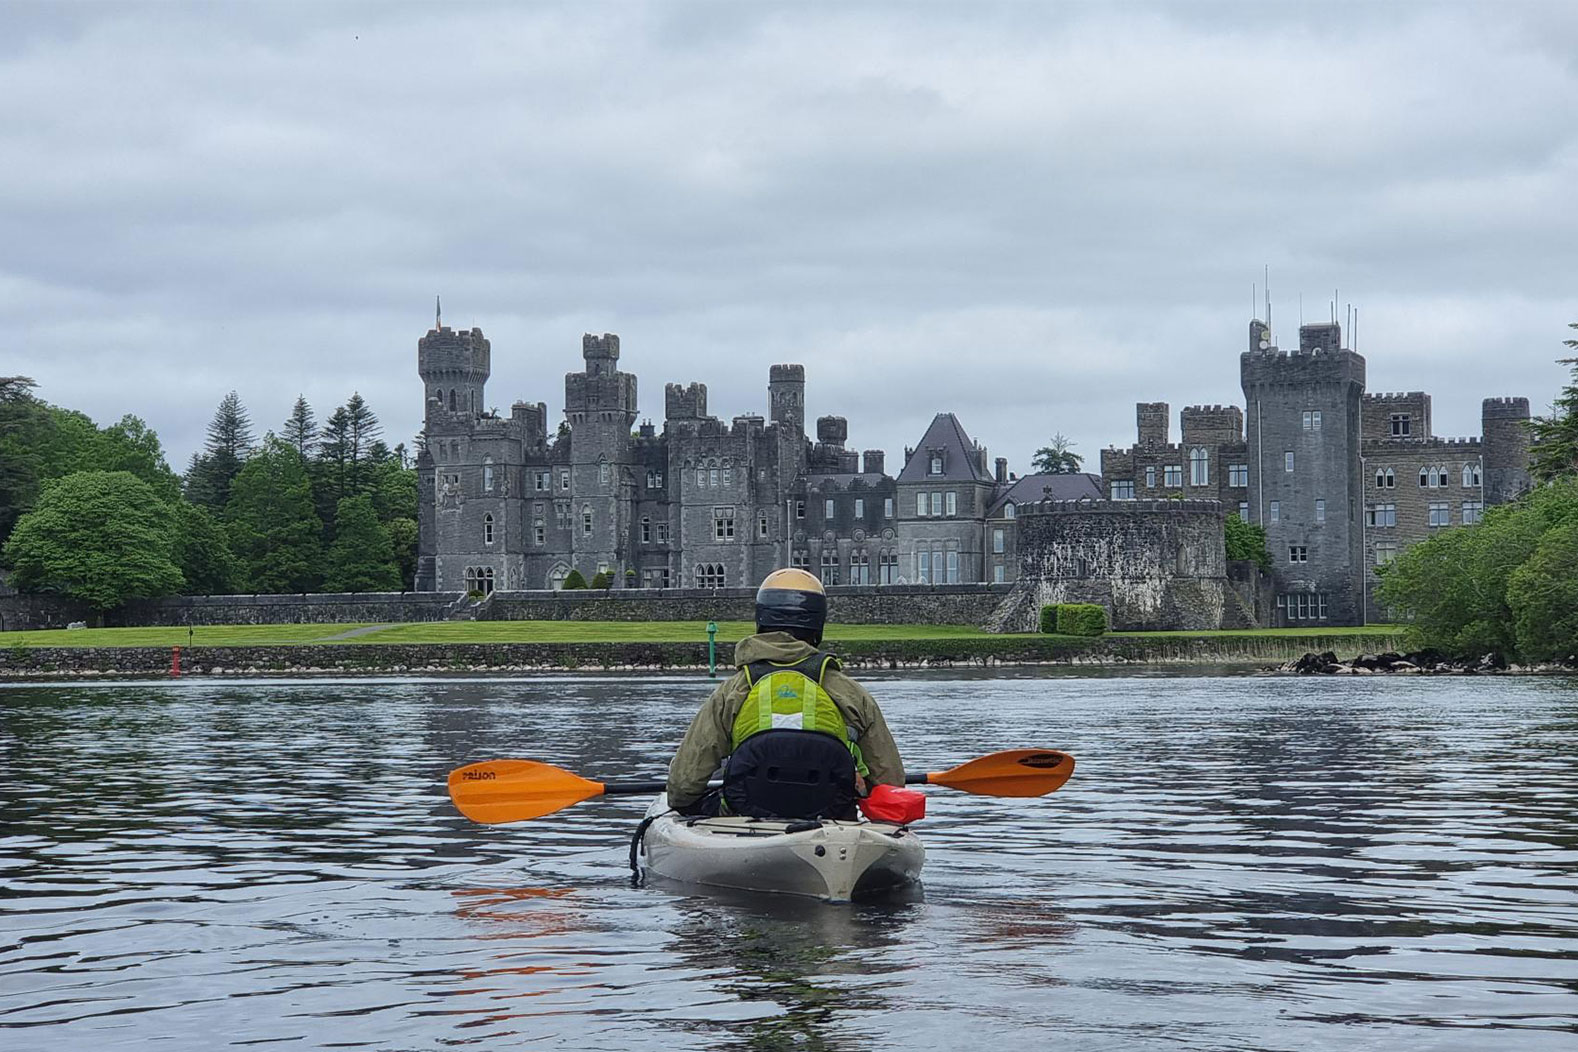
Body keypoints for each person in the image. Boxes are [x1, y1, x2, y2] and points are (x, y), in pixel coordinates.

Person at [665, 567, 904, 820]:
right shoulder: (852, 694)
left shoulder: (732, 692)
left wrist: (687, 804)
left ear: (762, 620)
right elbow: (891, 782)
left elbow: (683, 786)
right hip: (832, 822)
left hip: (744, 819)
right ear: (817, 623)